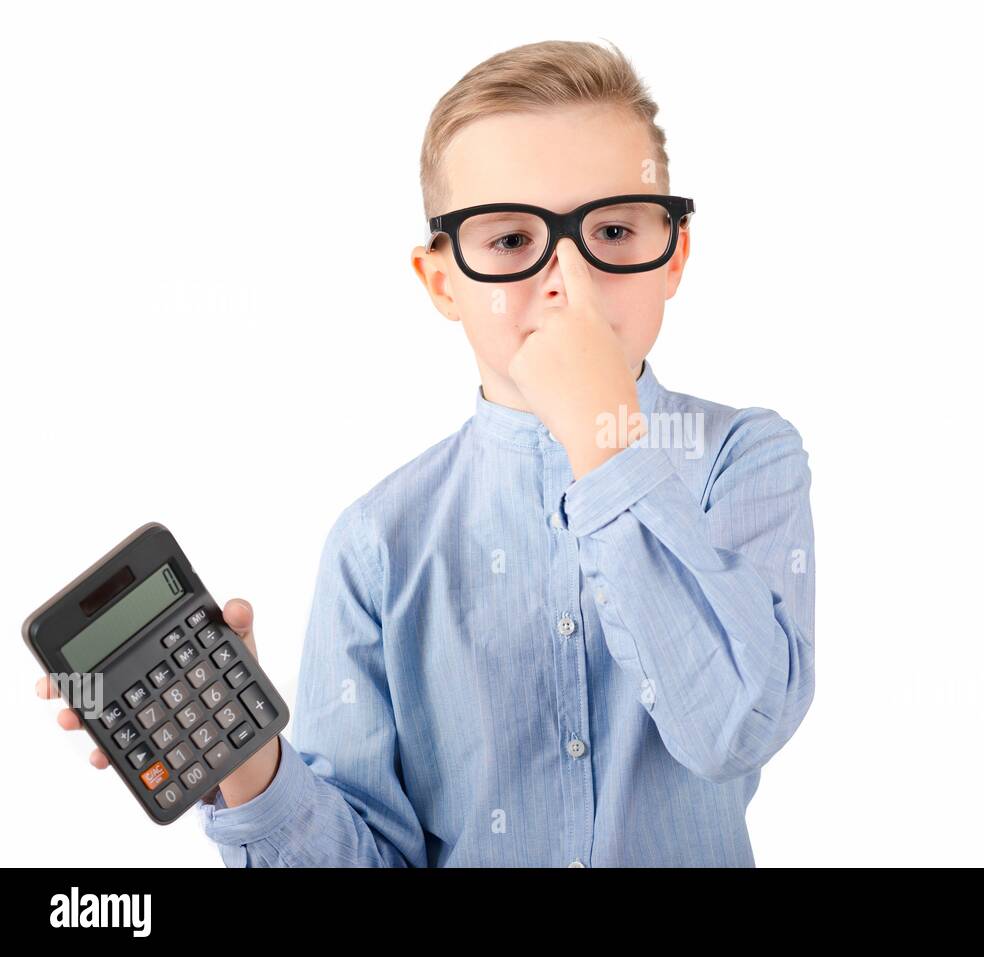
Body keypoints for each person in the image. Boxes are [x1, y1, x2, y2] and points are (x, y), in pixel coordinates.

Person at [37, 38, 815, 867]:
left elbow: (734, 724)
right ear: (442, 280)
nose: (570, 282)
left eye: (615, 229)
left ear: (676, 254)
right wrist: (251, 768)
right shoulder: (378, 542)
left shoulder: (744, 456)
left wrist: (606, 443)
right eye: (513, 242)